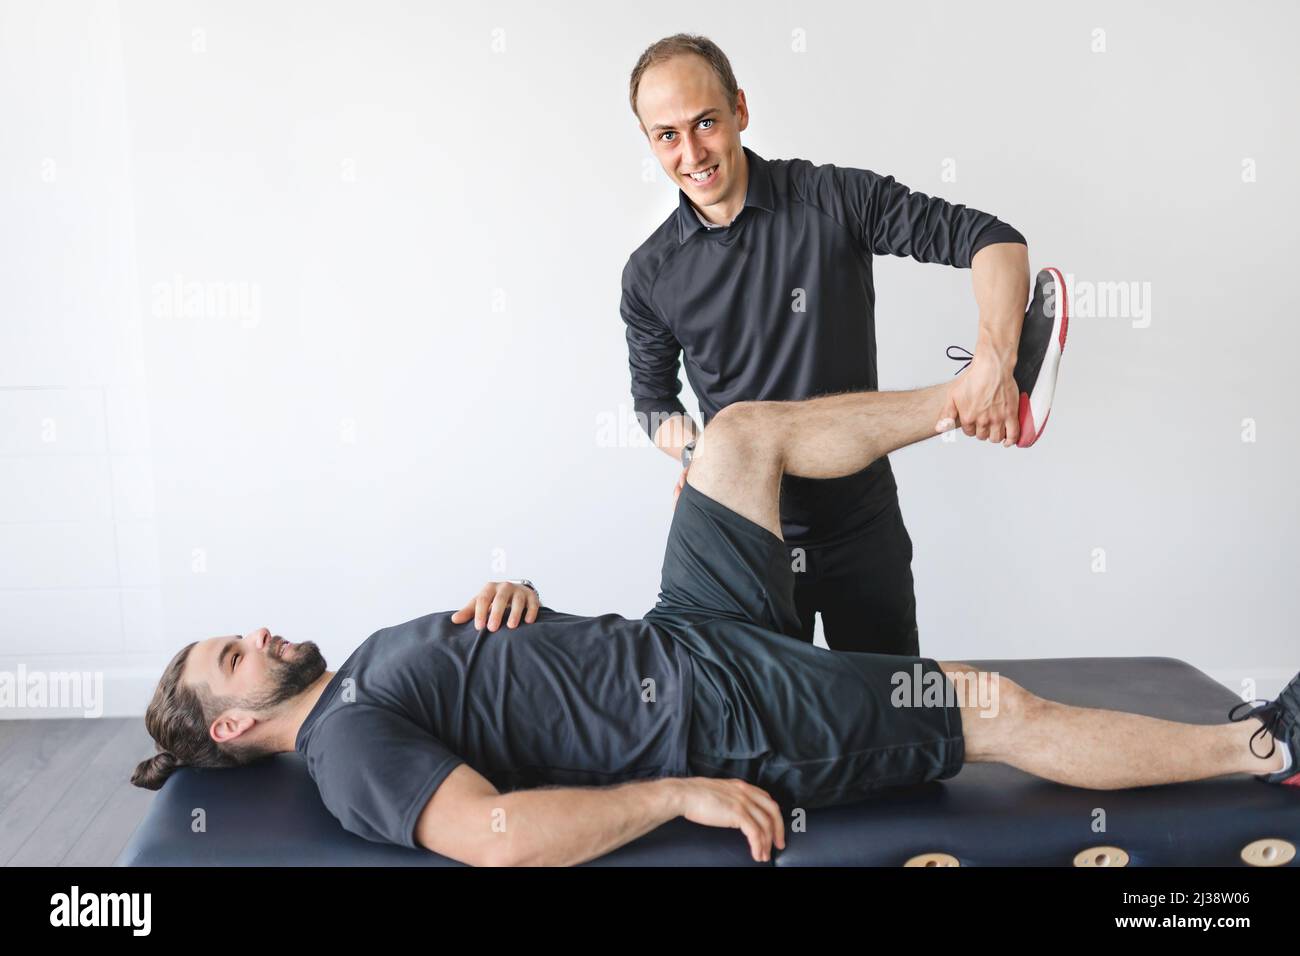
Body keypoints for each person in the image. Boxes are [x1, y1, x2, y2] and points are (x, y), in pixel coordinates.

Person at [130, 290, 1297, 867]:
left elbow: (499, 686)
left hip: (681, 632)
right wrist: (673, 794)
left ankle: (993, 399)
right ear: (234, 718)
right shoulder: (346, 750)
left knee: (733, 434)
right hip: (724, 715)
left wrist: (514, 600)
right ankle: (1261, 749)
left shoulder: (362, 678)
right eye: (237, 649)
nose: (264, 630)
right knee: (991, 710)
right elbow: (489, 833)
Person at [623, 33, 1035, 655]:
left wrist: (995, 364)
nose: (692, 152)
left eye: (705, 122)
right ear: (651, 141)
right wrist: (698, 455)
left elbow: (993, 240)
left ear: (740, 109)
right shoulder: (649, 274)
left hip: (860, 528)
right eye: (667, 135)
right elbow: (652, 400)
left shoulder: (833, 199)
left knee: (892, 729)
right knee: (763, 742)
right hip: (744, 544)